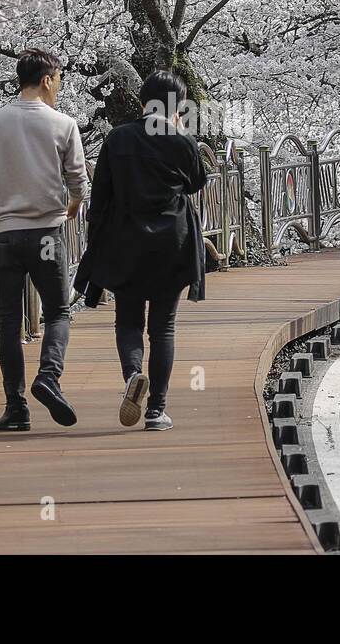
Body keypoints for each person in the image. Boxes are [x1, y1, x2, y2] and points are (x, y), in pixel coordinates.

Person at [73, 70, 207, 431]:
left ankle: (133, 375)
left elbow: (100, 197)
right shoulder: (182, 141)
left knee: (129, 320)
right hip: (172, 244)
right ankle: (156, 410)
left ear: (143, 101)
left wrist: (94, 247)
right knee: (163, 326)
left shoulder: (118, 139)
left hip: (126, 241)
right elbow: (196, 183)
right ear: (178, 106)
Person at [0, 48, 88, 431]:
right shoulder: (63, 124)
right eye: (60, 80)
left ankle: (16, 407)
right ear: (48, 79)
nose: (60, 87)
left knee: (7, 318)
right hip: (46, 234)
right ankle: (48, 376)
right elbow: (79, 182)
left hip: (4, 234)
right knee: (57, 310)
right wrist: (70, 206)